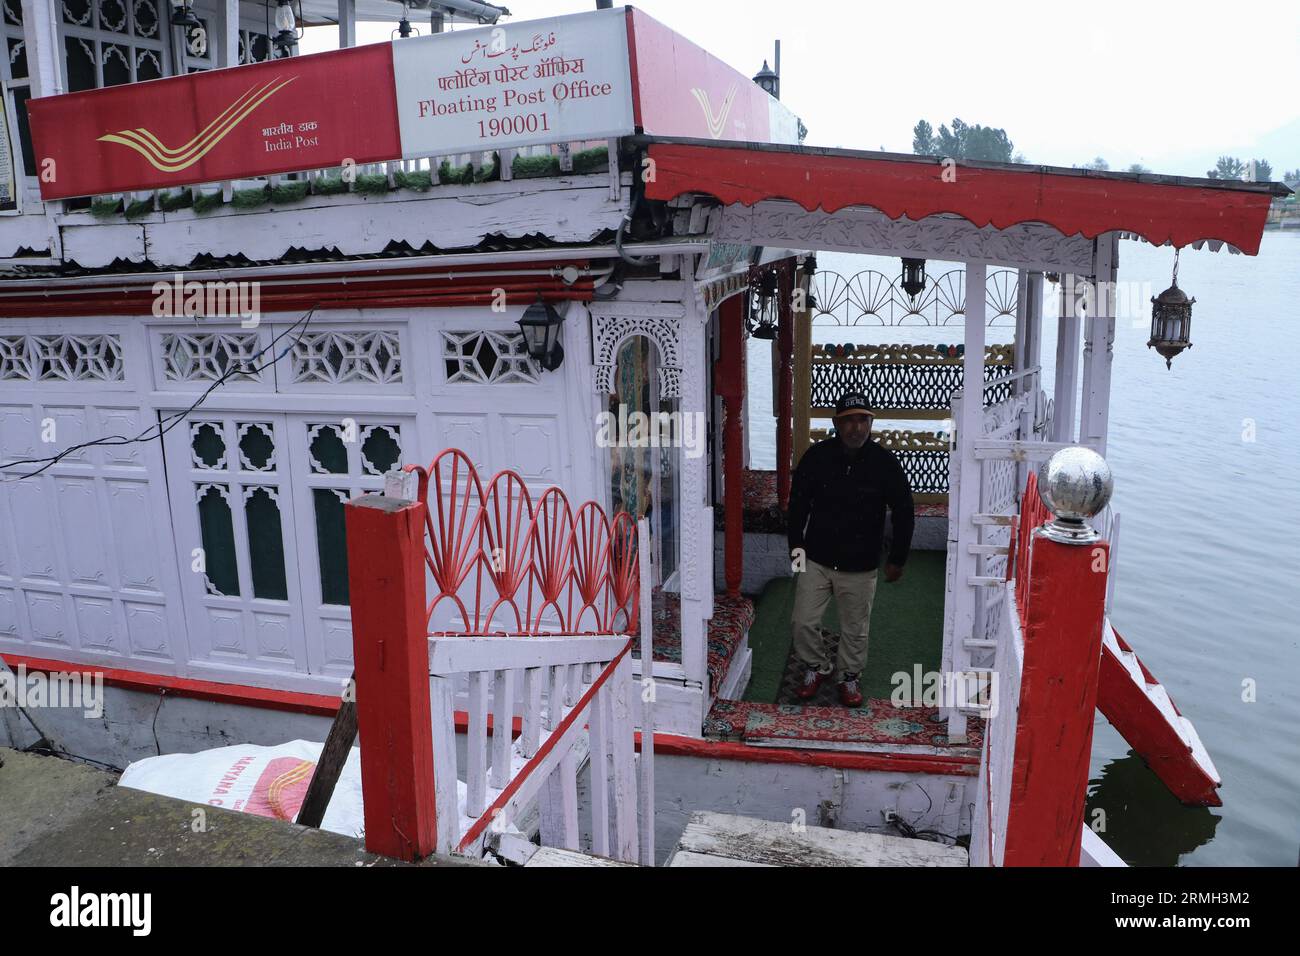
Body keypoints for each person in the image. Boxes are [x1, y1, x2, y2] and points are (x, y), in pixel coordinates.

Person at [786, 390, 914, 707]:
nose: (856, 427)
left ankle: (849, 676)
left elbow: (903, 512)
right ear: (836, 424)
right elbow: (798, 505)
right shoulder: (816, 458)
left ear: (871, 423)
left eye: (862, 420)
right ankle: (817, 666)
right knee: (802, 622)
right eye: (848, 421)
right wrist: (796, 547)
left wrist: (897, 558)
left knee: (855, 630)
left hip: (861, 564)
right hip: (815, 558)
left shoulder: (886, 464)